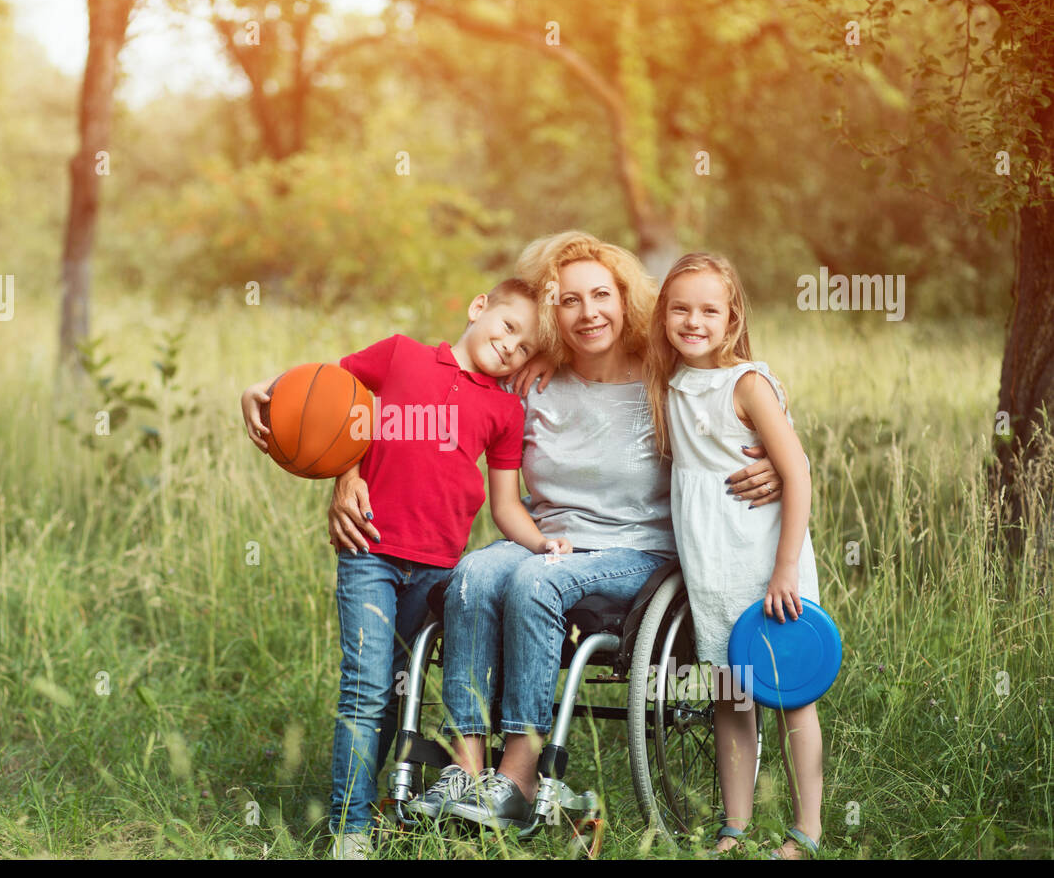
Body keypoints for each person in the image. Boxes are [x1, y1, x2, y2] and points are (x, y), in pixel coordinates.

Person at [329, 231, 786, 832]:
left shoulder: (663, 376)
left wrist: (777, 465)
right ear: (551, 314)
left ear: (624, 299)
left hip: (635, 551)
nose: (588, 312)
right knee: (470, 573)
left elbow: (732, 399)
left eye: (600, 295)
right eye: (569, 301)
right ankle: (467, 766)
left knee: (537, 585)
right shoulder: (533, 382)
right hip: (545, 542)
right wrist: (345, 469)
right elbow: (417, 413)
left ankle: (518, 776)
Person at [241, 278, 565, 859]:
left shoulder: (504, 409)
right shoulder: (398, 356)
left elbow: (506, 505)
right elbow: (318, 396)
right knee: (366, 689)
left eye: (523, 349)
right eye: (508, 328)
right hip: (371, 553)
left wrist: (543, 546)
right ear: (478, 307)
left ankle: (396, 798)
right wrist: (255, 391)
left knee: (401, 691)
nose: (510, 347)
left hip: (440, 570)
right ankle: (351, 829)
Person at [647, 252, 822, 858]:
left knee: (791, 694)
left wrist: (786, 568)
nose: (693, 321)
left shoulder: (746, 382)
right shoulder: (669, 382)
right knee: (730, 692)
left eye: (708, 310)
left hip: (766, 561)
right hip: (711, 567)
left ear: (732, 316)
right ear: (663, 315)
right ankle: (736, 826)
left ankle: (807, 831)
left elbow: (796, 469)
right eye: (680, 309)